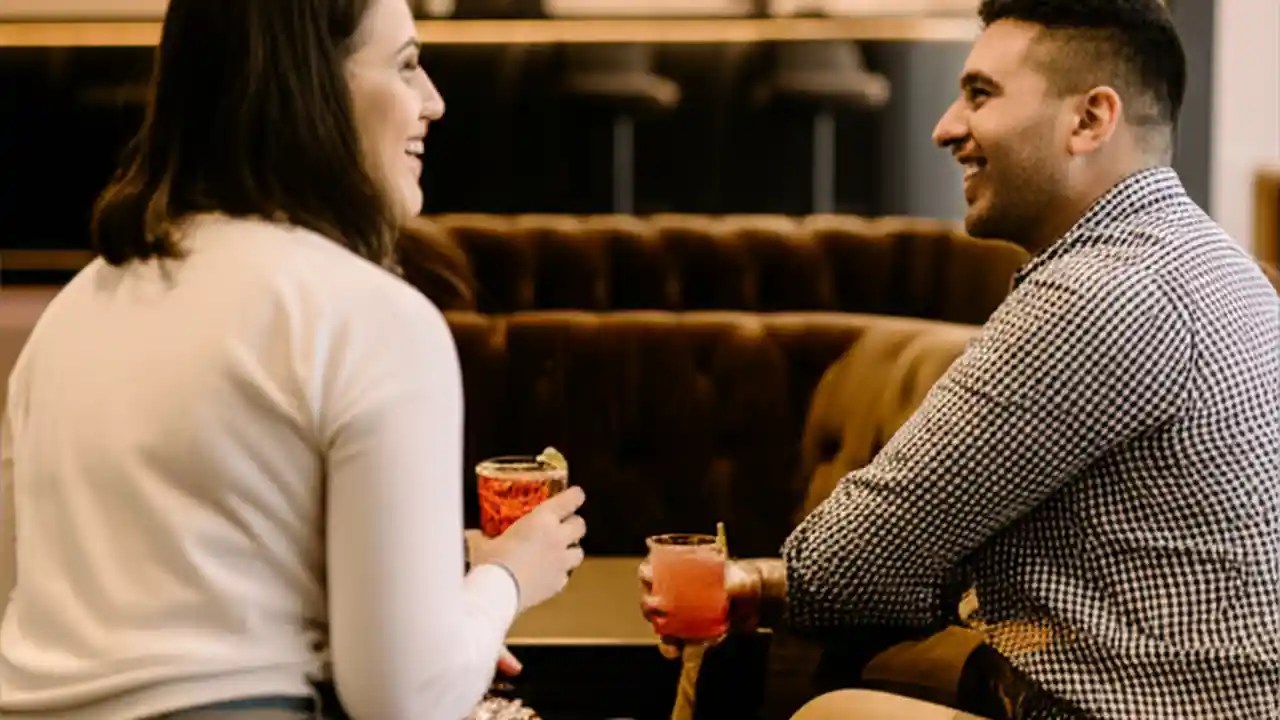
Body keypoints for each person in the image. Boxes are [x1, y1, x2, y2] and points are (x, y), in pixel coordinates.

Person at [642, 1, 1280, 718]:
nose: (945, 127)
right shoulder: (1222, 264)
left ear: (1090, 120)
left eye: (980, 95)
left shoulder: (1098, 292)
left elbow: (851, 560)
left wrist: (759, 580)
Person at [0, 0, 586, 718]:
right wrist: (506, 578)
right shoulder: (373, 316)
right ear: (312, 89)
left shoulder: (70, 314)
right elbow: (407, 699)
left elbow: (64, 617)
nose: (432, 100)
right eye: (405, 65)